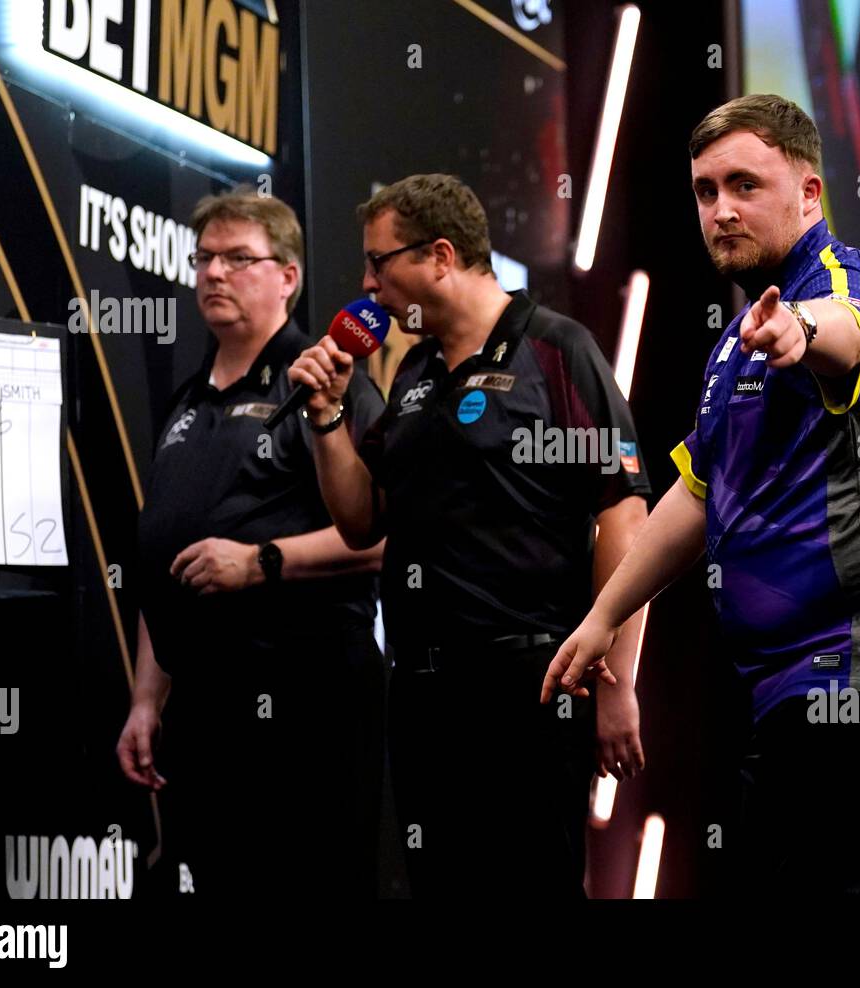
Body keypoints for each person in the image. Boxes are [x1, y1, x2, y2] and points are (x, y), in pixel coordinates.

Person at [542, 95, 860, 897]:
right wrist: (602, 617)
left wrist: (798, 330)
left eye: (745, 186)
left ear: (811, 193)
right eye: (705, 190)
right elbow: (693, 496)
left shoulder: (851, 287)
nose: (721, 210)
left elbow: (843, 329)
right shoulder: (732, 347)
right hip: (796, 681)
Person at [288, 173, 651, 898]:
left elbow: (624, 516)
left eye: (379, 263)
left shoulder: (557, 350)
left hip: (531, 684)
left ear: (441, 256)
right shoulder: (416, 372)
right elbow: (363, 521)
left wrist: (617, 686)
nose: (367, 285)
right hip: (423, 694)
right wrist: (327, 418)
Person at [115, 187, 388, 899]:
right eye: (204, 258)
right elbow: (160, 559)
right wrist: (149, 700)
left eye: (238, 258)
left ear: (288, 277)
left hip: (306, 699)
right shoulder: (184, 402)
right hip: (204, 711)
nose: (213, 273)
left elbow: (392, 536)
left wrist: (261, 563)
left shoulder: (328, 382)